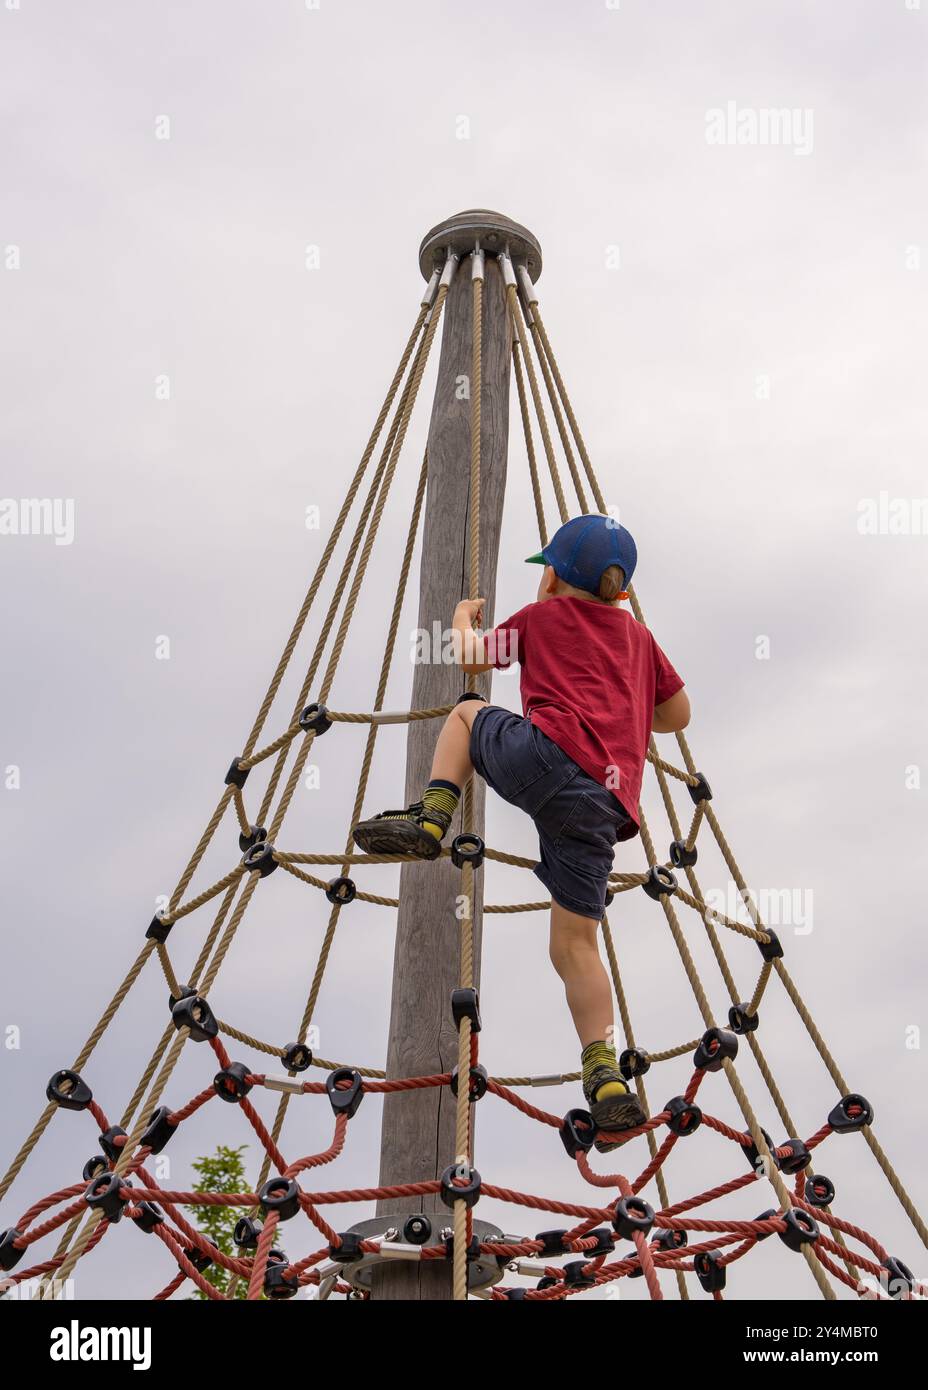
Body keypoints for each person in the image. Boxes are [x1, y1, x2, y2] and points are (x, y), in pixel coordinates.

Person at [353, 514, 690, 1150]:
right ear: (621, 592)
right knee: (575, 946)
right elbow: (680, 713)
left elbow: (474, 659)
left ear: (554, 577)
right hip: (605, 808)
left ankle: (431, 814)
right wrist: (630, 696)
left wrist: (461, 623)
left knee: (465, 713)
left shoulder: (542, 619)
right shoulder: (639, 639)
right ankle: (606, 1077)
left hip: (545, 760)